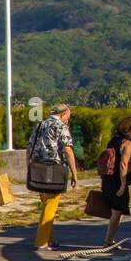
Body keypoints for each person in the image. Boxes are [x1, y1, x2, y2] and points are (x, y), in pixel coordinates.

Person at [26, 103, 78, 250]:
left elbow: (29, 147)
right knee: (51, 205)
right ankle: (41, 241)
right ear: (62, 114)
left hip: (37, 170)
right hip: (54, 170)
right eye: (68, 116)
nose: (68, 119)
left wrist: (28, 168)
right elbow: (67, 150)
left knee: (46, 205)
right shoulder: (61, 126)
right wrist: (74, 173)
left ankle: (50, 240)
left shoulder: (40, 125)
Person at [101, 115, 131, 245]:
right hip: (118, 181)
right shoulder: (128, 143)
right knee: (117, 211)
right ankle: (108, 241)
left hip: (107, 178)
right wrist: (123, 184)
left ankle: (110, 239)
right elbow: (123, 164)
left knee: (118, 211)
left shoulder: (114, 140)